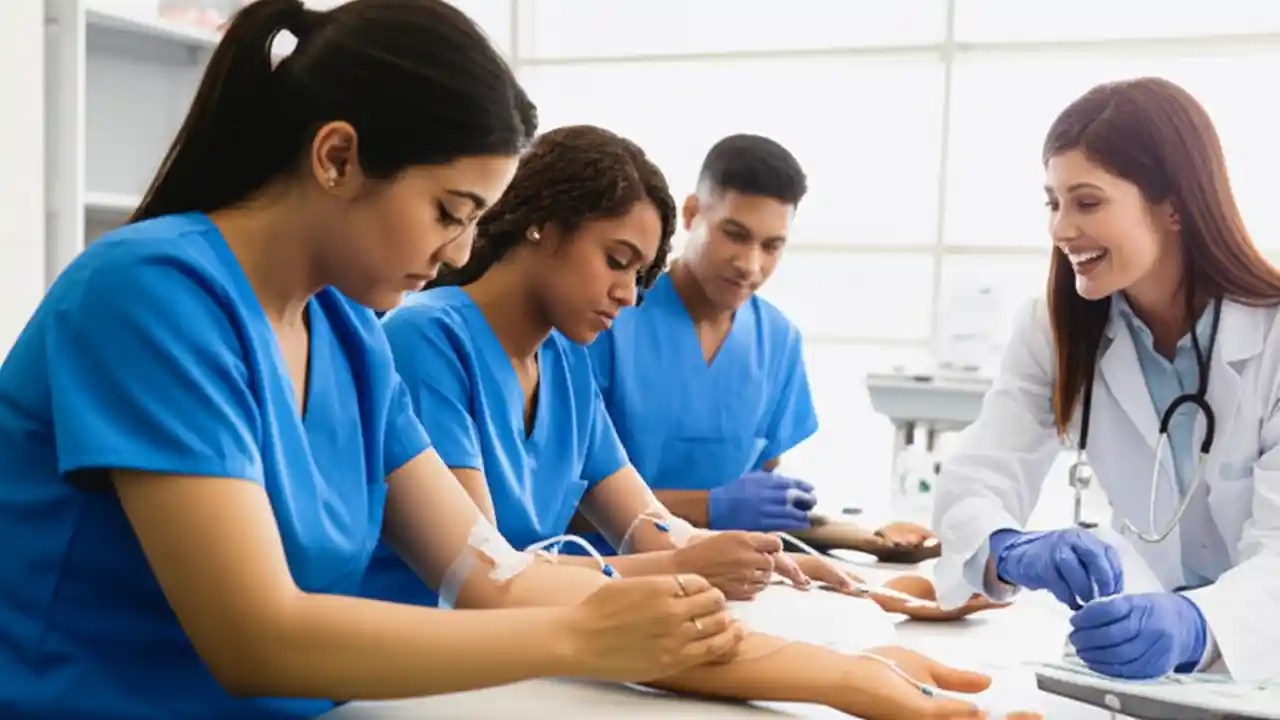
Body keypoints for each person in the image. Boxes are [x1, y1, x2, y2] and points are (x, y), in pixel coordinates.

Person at [0, 2, 1027, 718]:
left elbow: (493, 578)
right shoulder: (152, 296)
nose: (455, 253)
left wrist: (828, 670)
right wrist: (589, 637)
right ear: (336, 157)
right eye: (449, 214)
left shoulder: (349, 339)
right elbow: (255, 636)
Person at [363, 125, 863, 607]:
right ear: (545, 226)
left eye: (641, 273)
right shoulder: (428, 339)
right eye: (617, 261)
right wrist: (682, 566)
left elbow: (652, 527)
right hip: (422, 661)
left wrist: (765, 563)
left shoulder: (565, 365)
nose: (628, 295)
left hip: (522, 650)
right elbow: (488, 574)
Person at [932, 76, 1280, 683]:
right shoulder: (1057, 326)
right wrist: (1010, 548)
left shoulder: (1272, 335)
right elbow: (980, 471)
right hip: (1141, 673)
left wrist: (1197, 624)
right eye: (1053, 202)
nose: (1061, 229)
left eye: (1087, 202)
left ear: (1174, 205)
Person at [586, 134, 935, 557]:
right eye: (735, 235)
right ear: (693, 214)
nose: (751, 265)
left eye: (772, 246)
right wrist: (710, 507)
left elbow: (760, 516)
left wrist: (866, 539)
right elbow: (549, 502)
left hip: (728, 579)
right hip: (595, 569)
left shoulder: (777, 341)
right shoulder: (607, 319)